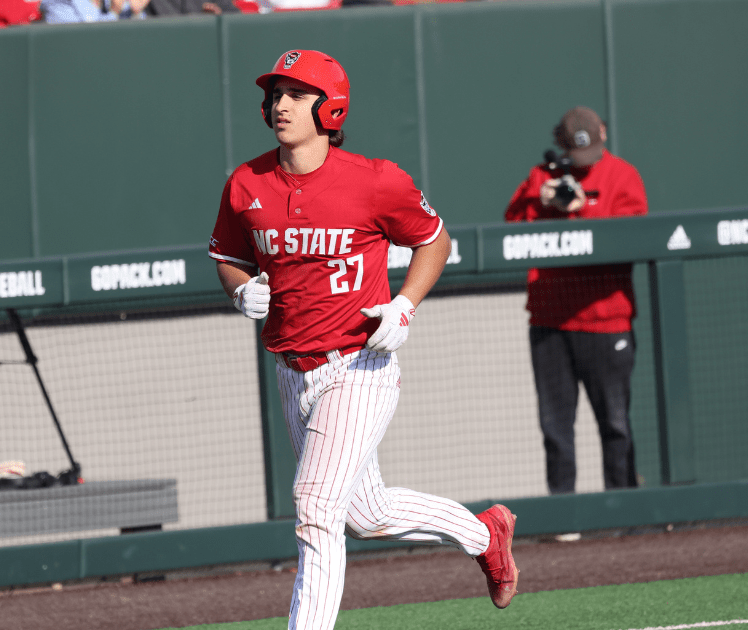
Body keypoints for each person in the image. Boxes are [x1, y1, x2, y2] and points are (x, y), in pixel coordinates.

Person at [209, 49, 519, 629]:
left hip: (359, 365)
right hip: (291, 368)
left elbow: (435, 239)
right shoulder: (246, 182)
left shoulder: (376, 180)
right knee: (365, 512)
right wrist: (238, 288)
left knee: (315, 508)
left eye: (297, 94)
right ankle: (485, 534)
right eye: (275, 93)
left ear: (331, 108)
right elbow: (227, 256)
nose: (280, 104)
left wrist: (404, 306)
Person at [504, 106, 647, 495]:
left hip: (606, 322)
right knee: (555, 427)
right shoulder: (541, 177)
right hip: (551, 322)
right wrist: (541, 203)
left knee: (616, 425)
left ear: (603, 133)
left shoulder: (623, 176)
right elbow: (510, 232)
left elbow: (634, 237)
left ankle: (624, 514)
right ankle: (564, 518)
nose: (586, 162)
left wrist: (582, 208)